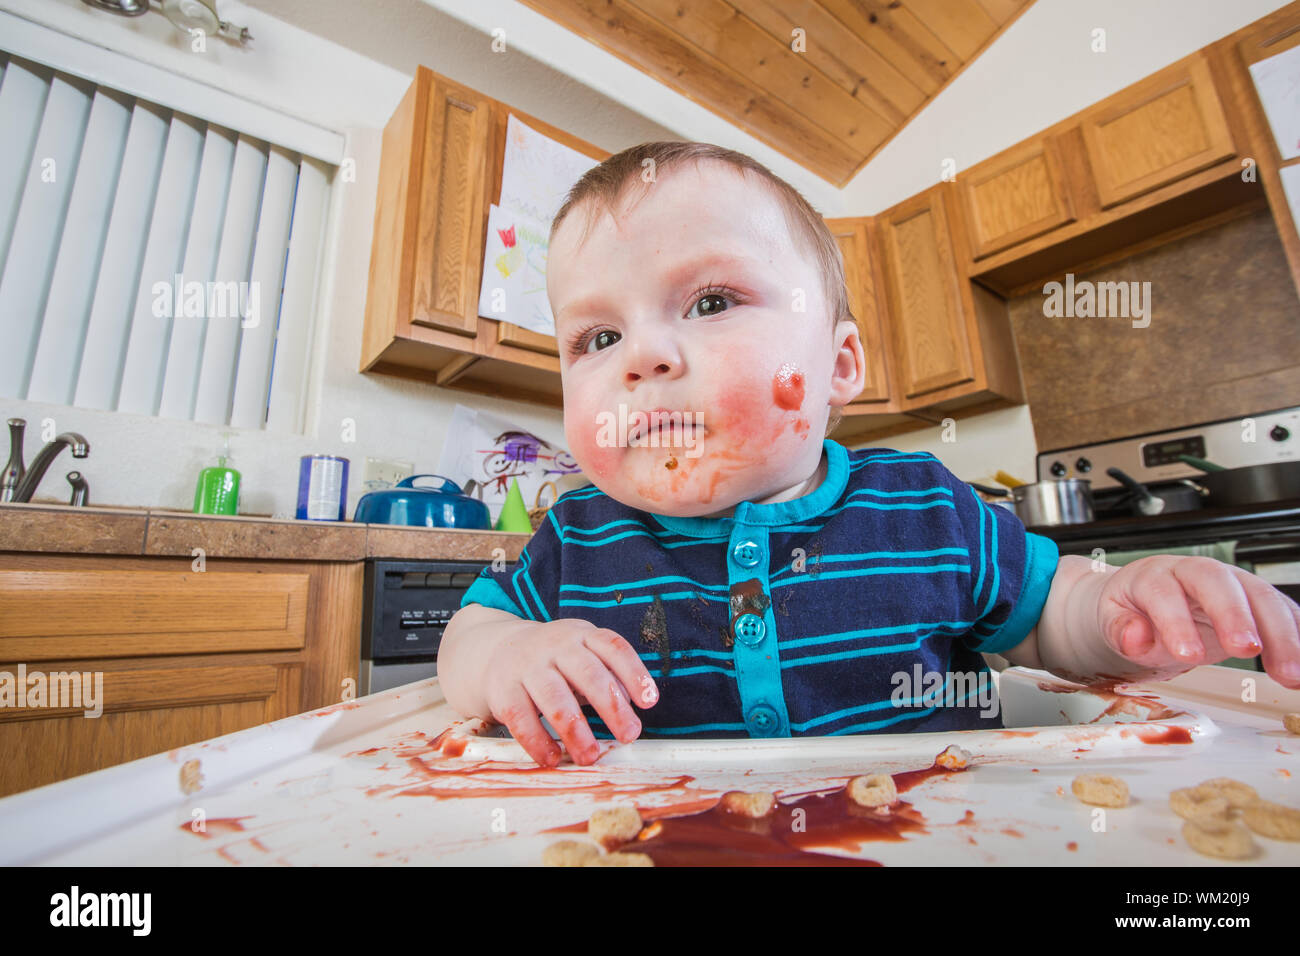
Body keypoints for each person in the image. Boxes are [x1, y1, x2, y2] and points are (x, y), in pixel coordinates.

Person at [439, 142, 1300, 769]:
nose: (642, 356)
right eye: (596, 335)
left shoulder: (925, 508)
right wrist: (504, 659)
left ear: (838, 368)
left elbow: (1051, 623)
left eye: (709, 301)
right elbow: (466, 641)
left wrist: (1120, 608)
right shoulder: (579, 534)